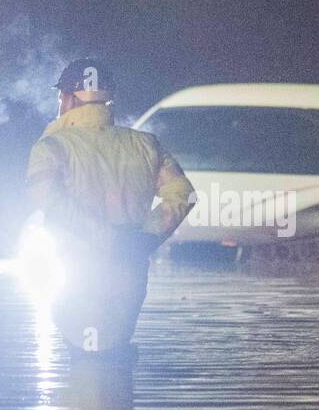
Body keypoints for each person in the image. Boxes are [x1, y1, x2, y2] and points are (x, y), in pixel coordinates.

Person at [25, 59, 194, 356]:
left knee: (84, 366)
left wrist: (105, 238)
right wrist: (144, 238)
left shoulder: (51, 148)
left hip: (76, 273)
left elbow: (49, 202)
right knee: (116, 358)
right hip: (129, 274)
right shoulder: (146, 145)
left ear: (66, 98)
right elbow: (184, 194)